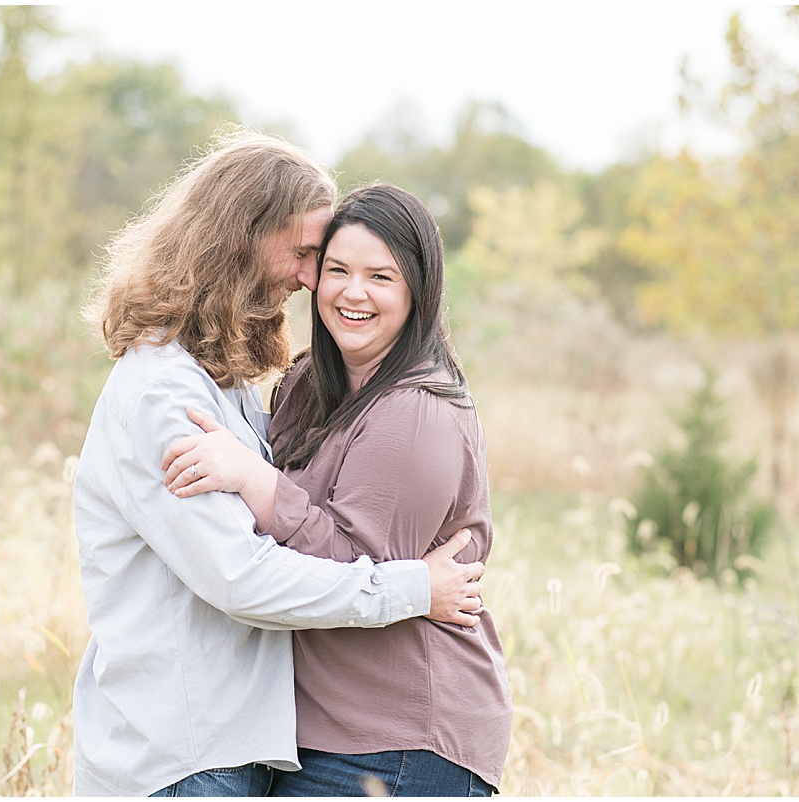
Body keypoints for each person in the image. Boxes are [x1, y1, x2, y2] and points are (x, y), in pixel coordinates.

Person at [71, 129, 487, 797]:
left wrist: (258, 478)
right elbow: (243, 577)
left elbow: (315, 532)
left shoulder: (228, 384)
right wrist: (414, 588)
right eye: (306, 255)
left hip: (257, 744)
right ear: (238, 241)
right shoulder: (165, 394)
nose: (310, 279)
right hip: (183, 752)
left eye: (376, 274)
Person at [162, 183, 513, 796]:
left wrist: (254, 478)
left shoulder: (416, 412)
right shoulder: (308, 383)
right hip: (318, 731)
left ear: (419, 292)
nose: (353, 292)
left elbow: (360, 569)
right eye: (338, 270)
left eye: (381, 277)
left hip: (398, 742)